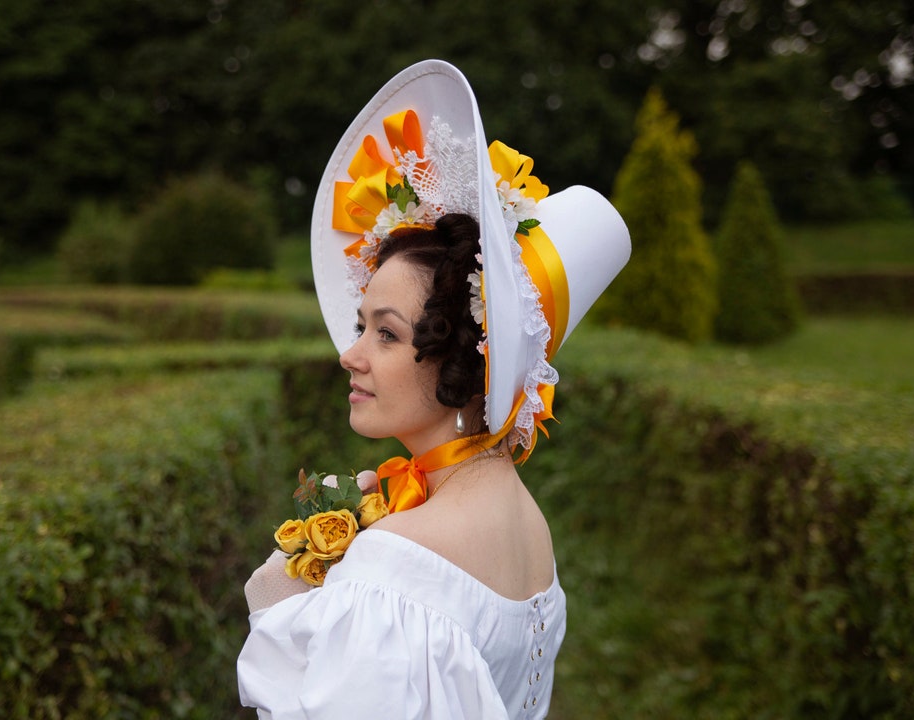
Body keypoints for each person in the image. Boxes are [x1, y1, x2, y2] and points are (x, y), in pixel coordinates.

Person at [237, 59, 630, 719]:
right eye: (362, 326)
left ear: (460, 360)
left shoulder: (396, 569)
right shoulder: (529, 523)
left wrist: (282, 607)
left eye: (385, 335)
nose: (349, 355)